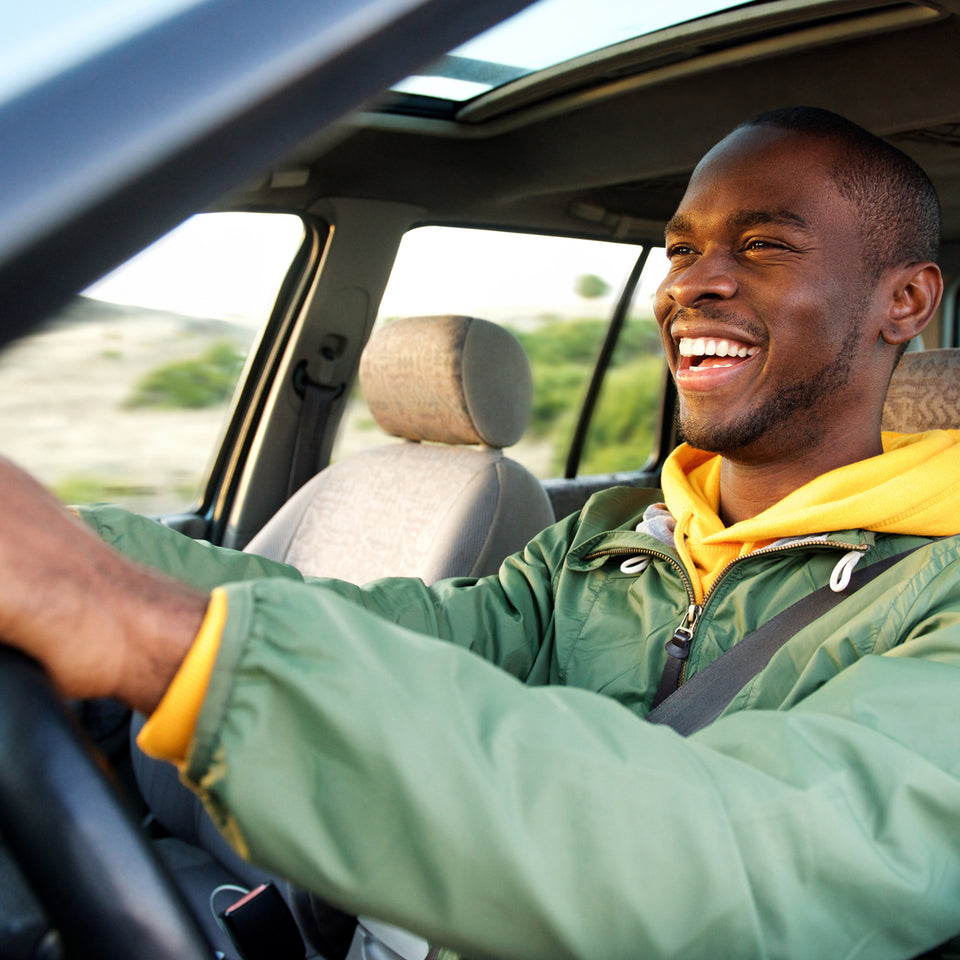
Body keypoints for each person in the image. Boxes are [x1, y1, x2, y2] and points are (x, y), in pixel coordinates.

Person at [2, 105, 960, 959]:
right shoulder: (610, 537)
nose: (691, 285)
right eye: (678, 250)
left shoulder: (939, 603)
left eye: (764, 246)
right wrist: (79, 549)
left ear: (905, 302)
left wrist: (155, 638)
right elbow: (402, 636)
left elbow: (740, 860)